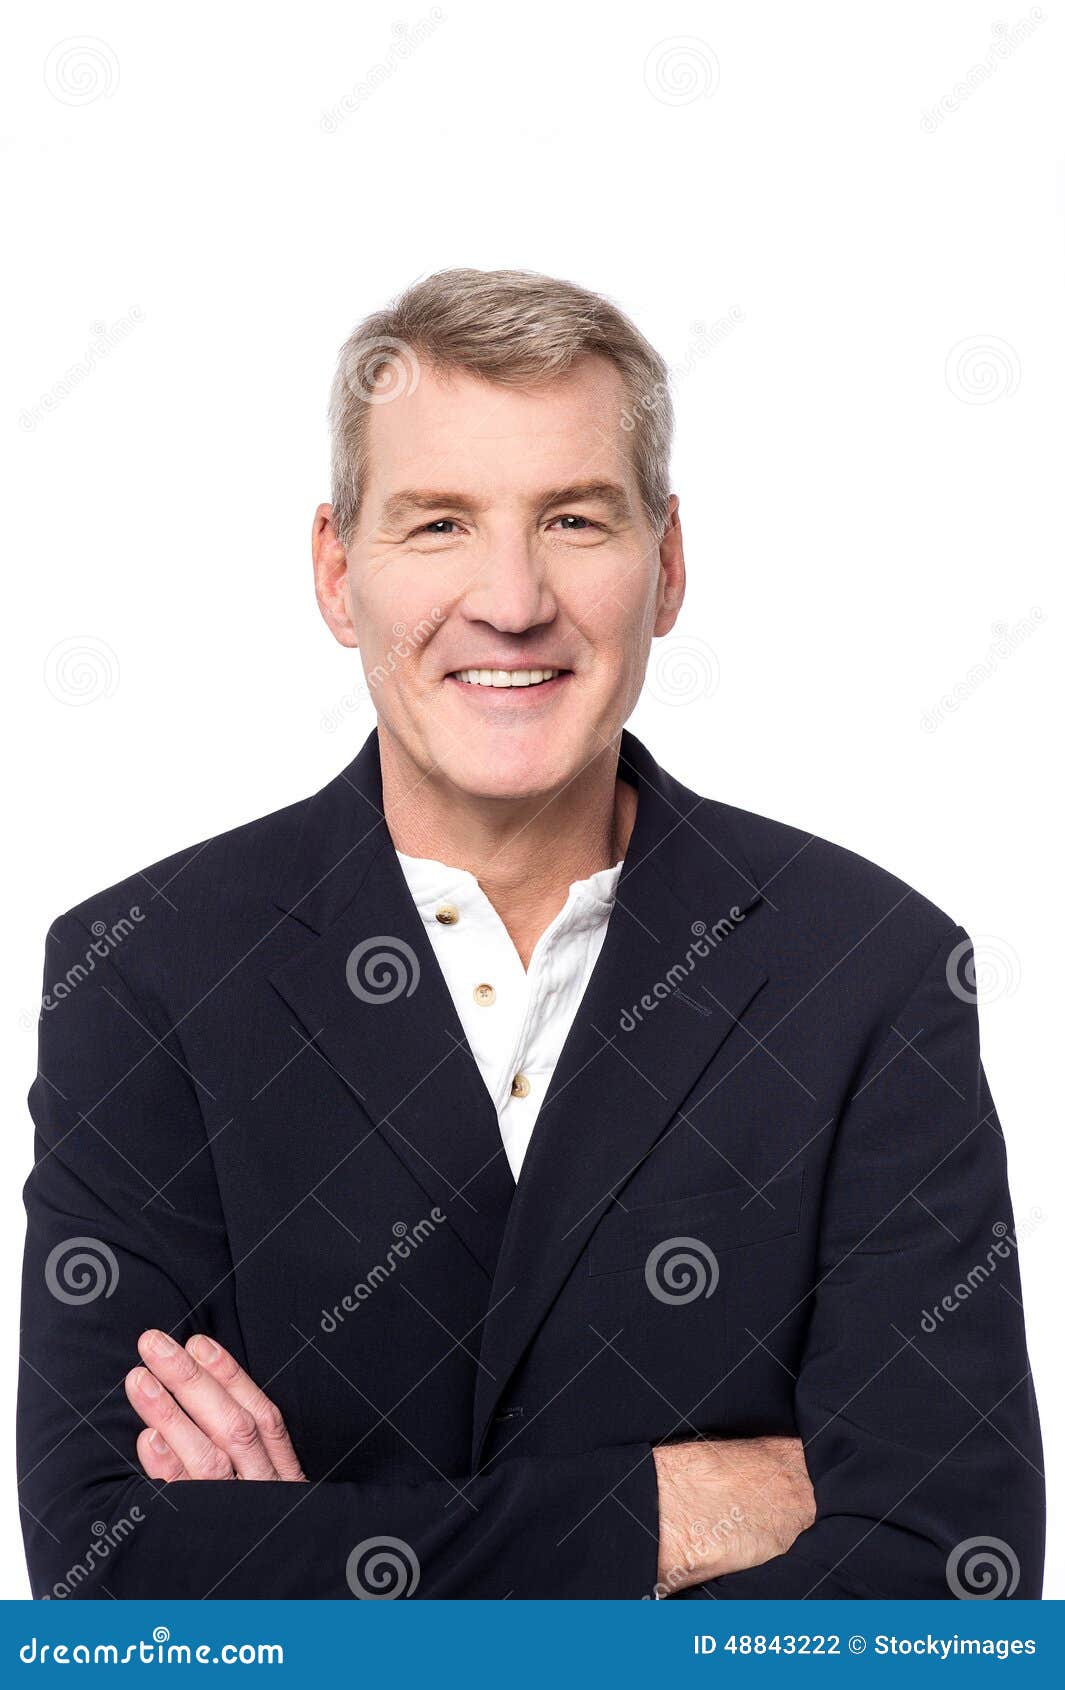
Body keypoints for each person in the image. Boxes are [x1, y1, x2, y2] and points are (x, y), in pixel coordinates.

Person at [18, 269, 1043, 1600]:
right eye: (439, 523)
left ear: (665, 564)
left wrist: (306, 1568)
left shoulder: (868, 972)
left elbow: (946, 1584)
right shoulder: (145, 972)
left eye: (572, 518)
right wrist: (664, 1508)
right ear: (337, 571)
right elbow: (109, 1574)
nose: (510, 599)